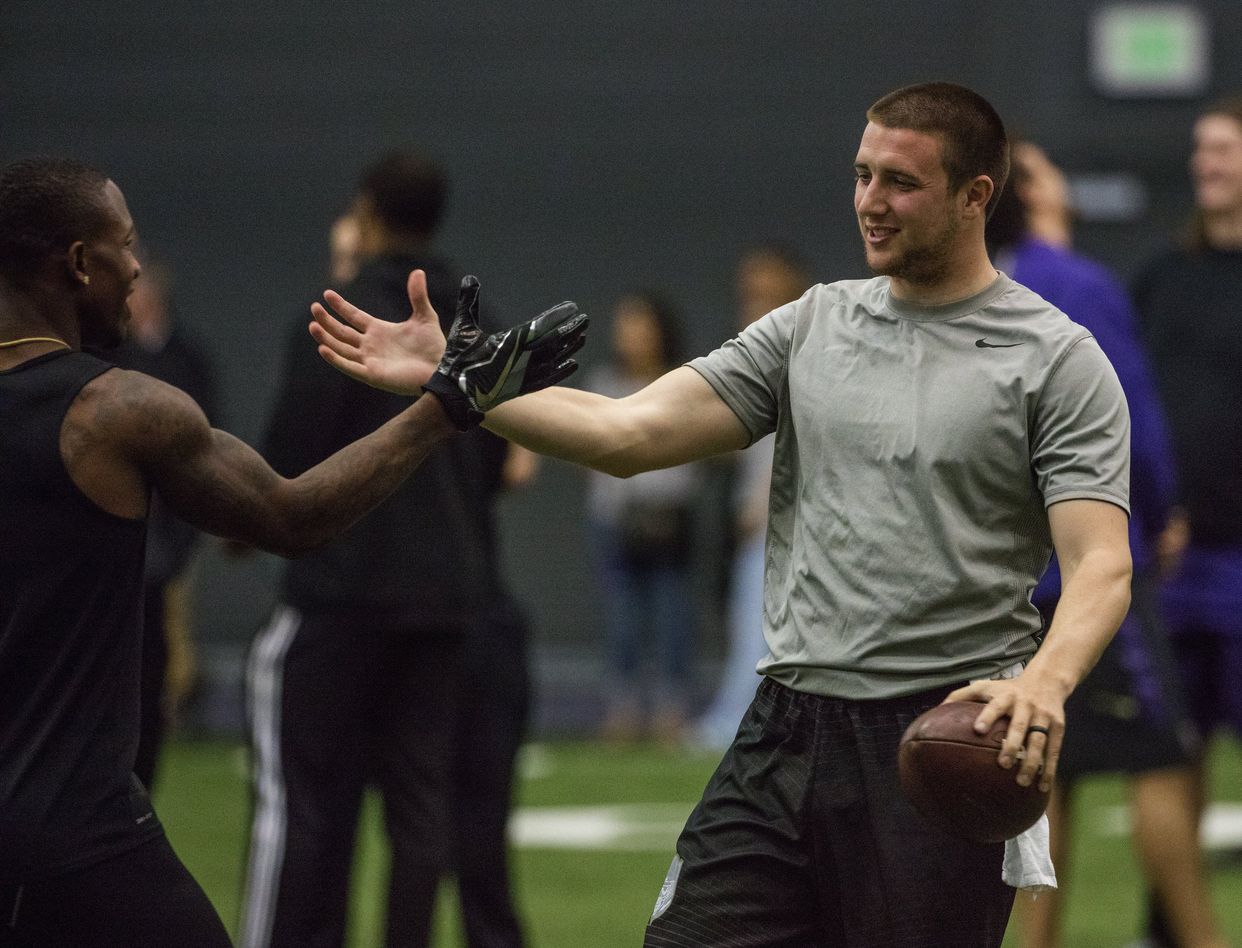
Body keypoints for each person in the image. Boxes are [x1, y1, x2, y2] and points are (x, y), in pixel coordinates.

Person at [309, 82, 1134, 947]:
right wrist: (460, 385)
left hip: (937, 739)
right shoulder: (812, 325)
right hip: (786, 727)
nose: (870, 202)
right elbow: (629, 432)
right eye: (861, 175)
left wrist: (1044, 683)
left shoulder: (1056, 360)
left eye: (900, 182)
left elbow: (1101, 565)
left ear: (977, 197)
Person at [0, 156, 585, 948]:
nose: (137, 266)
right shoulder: (112, 412)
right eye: (125, 245)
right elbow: (291, 513)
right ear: (77, 263)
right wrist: (448, 404)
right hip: (76, 826)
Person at [240, 151, 538, 948]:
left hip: (338, 597)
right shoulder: (479, 320)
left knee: (308, 808)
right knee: (420, 813)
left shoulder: (339, 313)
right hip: (445, 602)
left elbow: (283, 460)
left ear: (365, 212)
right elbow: (502, 465)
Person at [987, 142, 1225, 948]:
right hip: (1088, 572)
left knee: (1037, 773)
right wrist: (1159, 519)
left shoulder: (959, 288)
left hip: (1002, 576)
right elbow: (1133, 425)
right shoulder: (1077, 284)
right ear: (1031, 194)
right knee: (1159, 761)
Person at [1133, 93, 1242, 948]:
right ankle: (1168, 931)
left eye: (1226, 150)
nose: (1208, 164)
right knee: (1173, 758)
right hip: (1176, 565)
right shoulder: (1162, 278)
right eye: (1202, 150)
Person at [691, 243, 812, 751]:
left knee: (767, 634)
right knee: (752, 627)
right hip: (758, 524)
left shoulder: (806, 347)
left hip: (796, 523)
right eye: (749, 290)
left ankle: (735, 723)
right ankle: (739, 720)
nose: (753, 299)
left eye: (765, 289)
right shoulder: (749, 352)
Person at [107, 257, 218, 788]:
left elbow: (207, 437)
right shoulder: (109, 355)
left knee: (163, 654)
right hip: (119, 540)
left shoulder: (186, 357)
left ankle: (146, 766)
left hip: (167, 534)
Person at [586, 291, 700, 744]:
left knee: (673, 615)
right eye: (625, 324)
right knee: (622, 618)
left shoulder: (683, 380)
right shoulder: (603, 382)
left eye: (641, 324)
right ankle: (623, 709)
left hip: (669, 518)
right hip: (613, 519)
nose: (632, 335)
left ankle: (673, 707)